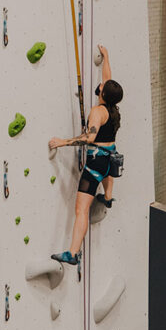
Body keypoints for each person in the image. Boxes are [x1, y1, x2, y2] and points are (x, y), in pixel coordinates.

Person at [49, 45, 122, 266]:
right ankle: (108, 198)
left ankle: (72, 252)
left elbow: (88, 139)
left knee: (81, 210)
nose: (100, 85)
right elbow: (108, 79)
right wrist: (106, 57)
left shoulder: (97, 112)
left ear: (102, 93)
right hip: (110, 159)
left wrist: (63, 142)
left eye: (101, 87)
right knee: (108, 178)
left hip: (95, 164)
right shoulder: (113, 108)